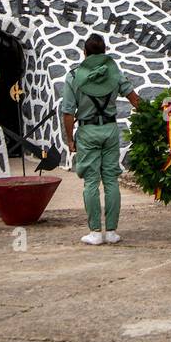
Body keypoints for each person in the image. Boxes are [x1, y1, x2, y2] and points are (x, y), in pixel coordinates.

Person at [60, 35, 140, 246]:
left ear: (84, 53)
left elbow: (68, 112)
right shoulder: (115, 74)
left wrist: (70, 140)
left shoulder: (73, 76)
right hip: (110, 129)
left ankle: (95, 232)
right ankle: (112, 231)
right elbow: (135, 100)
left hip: (87, 131)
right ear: (105, 52)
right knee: (112, 180)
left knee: (91, 182)